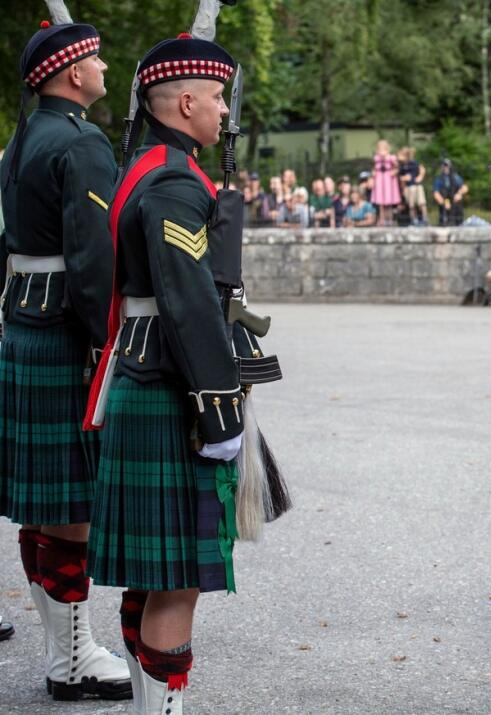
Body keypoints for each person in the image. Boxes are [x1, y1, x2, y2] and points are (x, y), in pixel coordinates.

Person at [83, 23, 249, 713]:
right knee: (176, 580)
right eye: (216, 97)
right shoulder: (176, 184)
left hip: (140, 378)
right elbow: (189, 304)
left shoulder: (147, 169)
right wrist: (220, 404)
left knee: (154, 579)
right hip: (171, 390)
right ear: (184, 104)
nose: (223, 112)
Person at [0, 10, 131, 700]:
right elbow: (92, 259)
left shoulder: (19, 140)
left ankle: (64, 652)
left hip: (22, 323)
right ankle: (73, 657)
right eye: (99, 61)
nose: (107, 70)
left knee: (41, 505)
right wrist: (106, 342)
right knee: (69, 506)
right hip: (63, 335)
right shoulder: (82, 145)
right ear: (74, 72)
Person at [371, 139, 401, 226]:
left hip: (388, 180)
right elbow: (374, 168)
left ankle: (389, 219)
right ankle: (381, 219)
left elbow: (397, 167)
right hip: (380, 179)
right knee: (380, 201)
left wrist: (394, 171)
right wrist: (373, 175)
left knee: (389, 200)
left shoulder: (391, 157)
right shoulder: (376, 158)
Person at [398, 146, 428, 226]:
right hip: (408, 187)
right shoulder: (401, 166)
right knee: (411, 205)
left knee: (421, 203)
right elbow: (400, 176)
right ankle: (414, 220)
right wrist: (404, 178)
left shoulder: (414, 163)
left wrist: (420, 177)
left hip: (416, 186)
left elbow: (421, 170)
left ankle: (425, 219)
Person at [433, 159, 467, 226]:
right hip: (445, 200)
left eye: (447, 165)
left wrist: (459, 194)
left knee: (457, 201)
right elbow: (436, 192)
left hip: (454, 199)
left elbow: (465, 188)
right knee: (446, 205)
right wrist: (443, 202)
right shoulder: (439, 179)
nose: (445, 167)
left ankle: (458, 222)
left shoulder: (455, 177)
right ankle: (445, 222)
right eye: (444, 165)